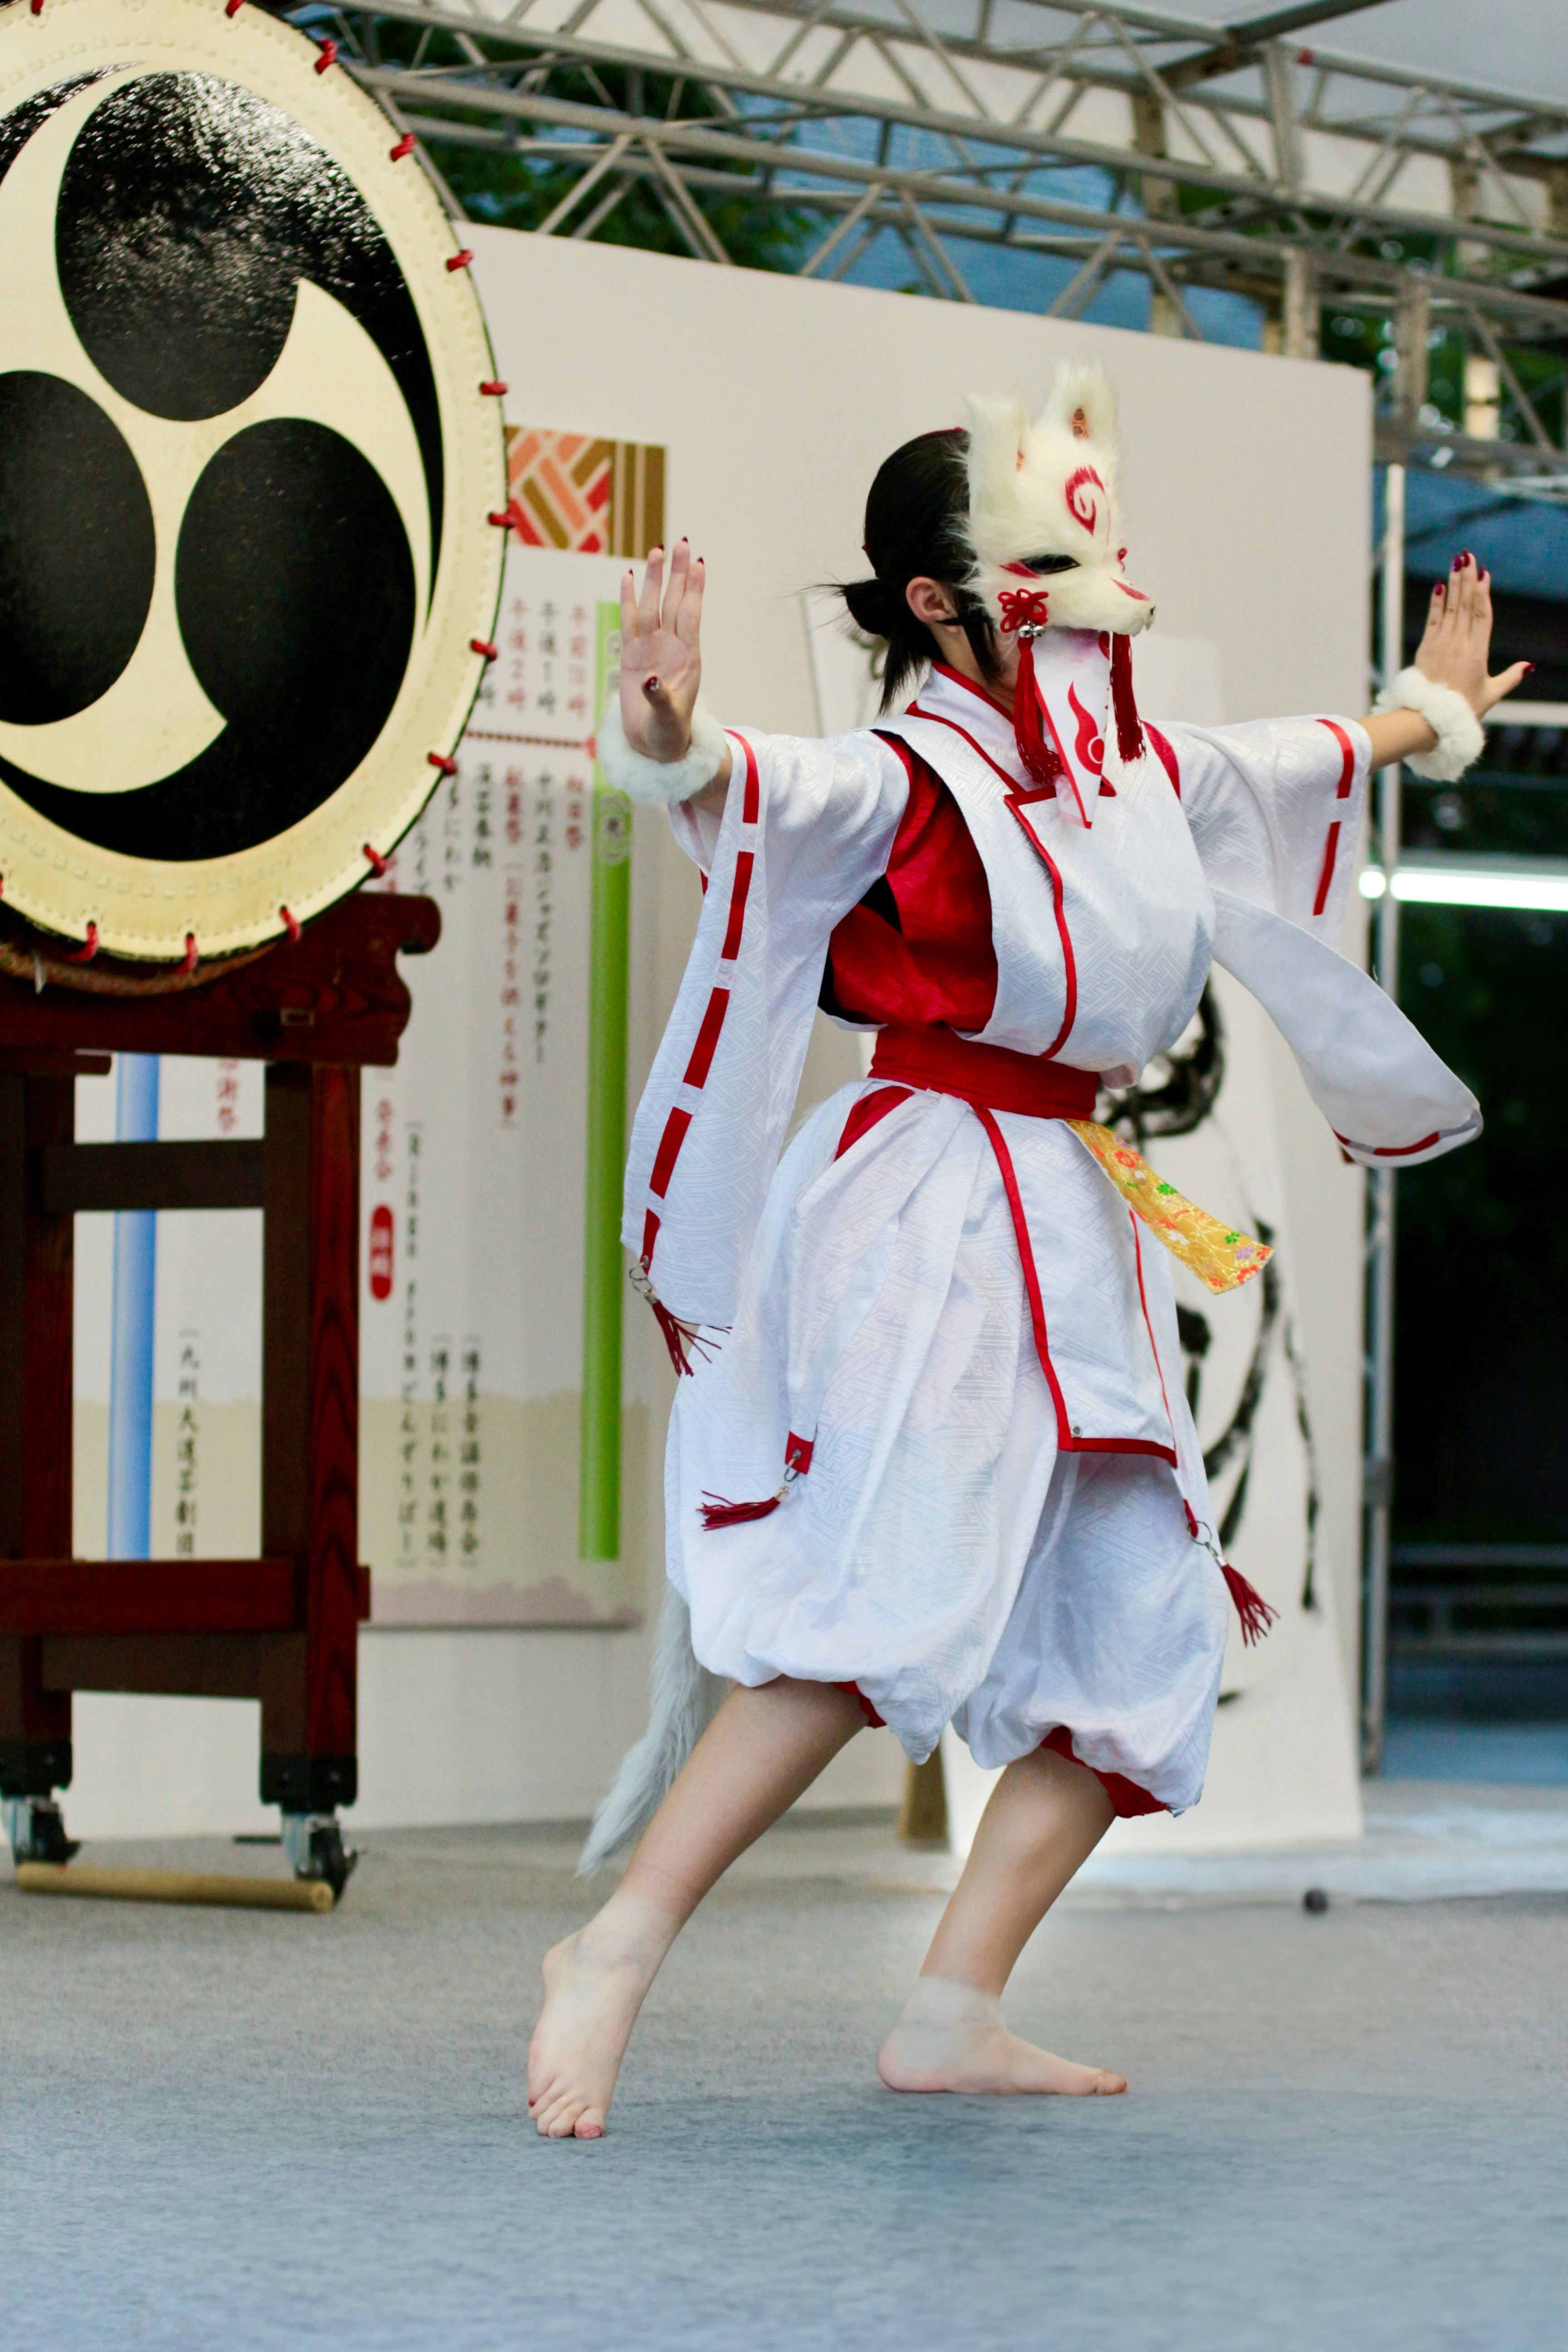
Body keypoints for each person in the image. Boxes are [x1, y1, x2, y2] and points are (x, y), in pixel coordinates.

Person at [527, 363, 1525, 2140]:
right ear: (935, 599)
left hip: (1065, 1214)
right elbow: (745, 785)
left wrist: (1418, 720)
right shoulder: (901, 778)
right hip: (930, 1210)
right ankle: (617, 1943)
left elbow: (1288, 760)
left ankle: (956, 2003)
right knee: (872, 1615)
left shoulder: (1128, 762)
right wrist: (667, 729)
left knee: (1139, 1632)